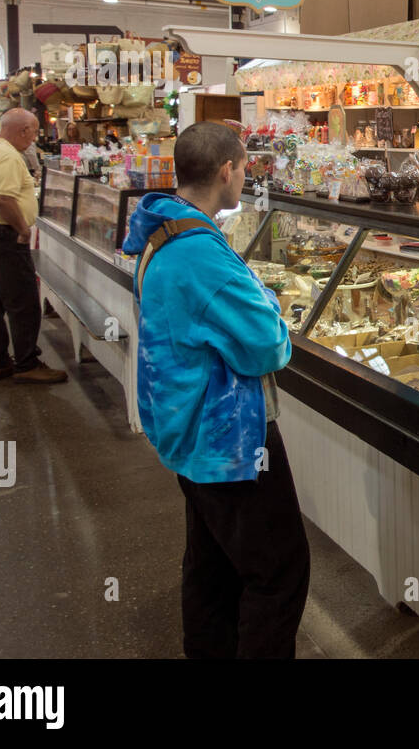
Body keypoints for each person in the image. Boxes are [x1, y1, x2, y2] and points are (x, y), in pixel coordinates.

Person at [122, 121, 309, 659]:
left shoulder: (162, 231)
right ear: (227, 170)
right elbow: (270, 346)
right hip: (227, 439)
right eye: (245, 167)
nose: (246, 176)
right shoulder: (200, 254)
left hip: (184, 428)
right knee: (279, 572)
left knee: (212, 567)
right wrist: (269, 303)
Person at [0, 108, 67, 383]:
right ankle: (27, 363)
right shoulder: (8, 156)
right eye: (33, 132)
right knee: (24, 303)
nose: (34, 138)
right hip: (1, 236)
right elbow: (3, 199)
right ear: (23, 131)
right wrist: (22, 229)